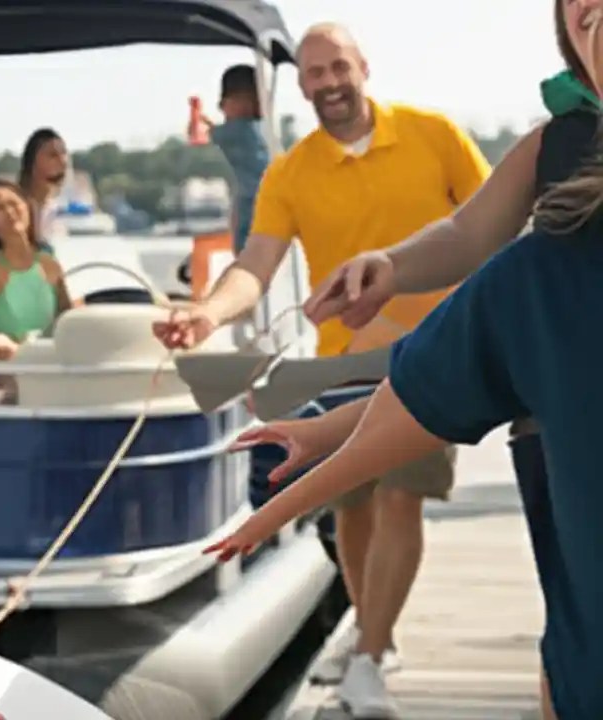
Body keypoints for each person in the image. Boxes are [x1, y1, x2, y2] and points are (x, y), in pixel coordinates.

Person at [151, 22, 492, 715]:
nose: (328, 83)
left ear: (363, 66)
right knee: (353, 512)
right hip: (340, 366)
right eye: (313, 74)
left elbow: (490, 226)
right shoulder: (291, 171)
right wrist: (208, 314)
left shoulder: (436, 135)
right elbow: (255, 265)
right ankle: (373, 632)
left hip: (431, 356)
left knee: (402, 495)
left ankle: (369, 655)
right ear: (299, 84)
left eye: (338, 67)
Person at [271, 3, 601, 717]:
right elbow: (470, 231)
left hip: (451, 370)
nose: (589, 19)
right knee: (573, 629)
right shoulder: (556, 142)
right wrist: (387, 265)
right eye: (579, 12)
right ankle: (375, 644)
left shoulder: (435, 134)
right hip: (556, 427)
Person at [0, 179, 74, 361]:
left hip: (50, 364)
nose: (10, 212)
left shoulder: (49, 264)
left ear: (27, 207)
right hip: (9, 367)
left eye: (13, 203)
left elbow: (69, 320)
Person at [194, 64, 271, 254]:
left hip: (253, 199)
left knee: (244, 247)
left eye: (223, 104)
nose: (222, 111)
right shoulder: (260, 129)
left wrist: (196, 115)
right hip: (266, 196)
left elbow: (202, 135)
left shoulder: (238, 131)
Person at [17, 128, 69, 247]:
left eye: (64, 153)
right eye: (53, 155)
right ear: (33, 161)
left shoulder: (56, 209)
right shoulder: (16, 208)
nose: (63, 161)